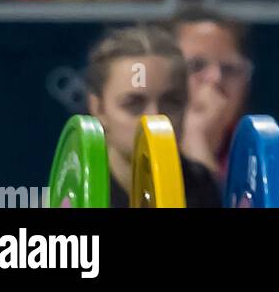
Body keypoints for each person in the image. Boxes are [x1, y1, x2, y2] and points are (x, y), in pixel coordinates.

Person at [84, 24, 220, 206]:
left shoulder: (205, 188)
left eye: (171, 102)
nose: (154, 118)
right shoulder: (74, 195)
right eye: (133, 103)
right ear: (98, 108)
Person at [170, 8, 253, 182]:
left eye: (230, 69)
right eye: (196, 65)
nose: (215, 78)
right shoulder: (135, 149)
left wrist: (199, 141)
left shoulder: (255, 155)